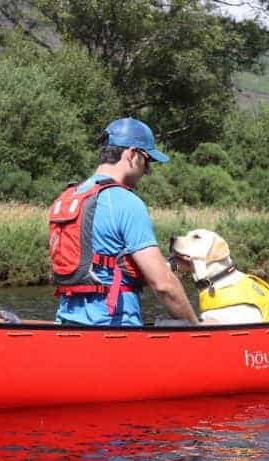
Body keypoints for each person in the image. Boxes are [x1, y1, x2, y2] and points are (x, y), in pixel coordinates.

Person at [49, 117, 198, 327]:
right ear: (131, 154)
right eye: (147, 161)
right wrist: (197, 327)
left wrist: (171, 265)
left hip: (67, 322)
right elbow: (163, 285)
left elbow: (104, 263)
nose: (147, 171)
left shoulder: (69, 197)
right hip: (114, 328)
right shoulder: (126, 202)